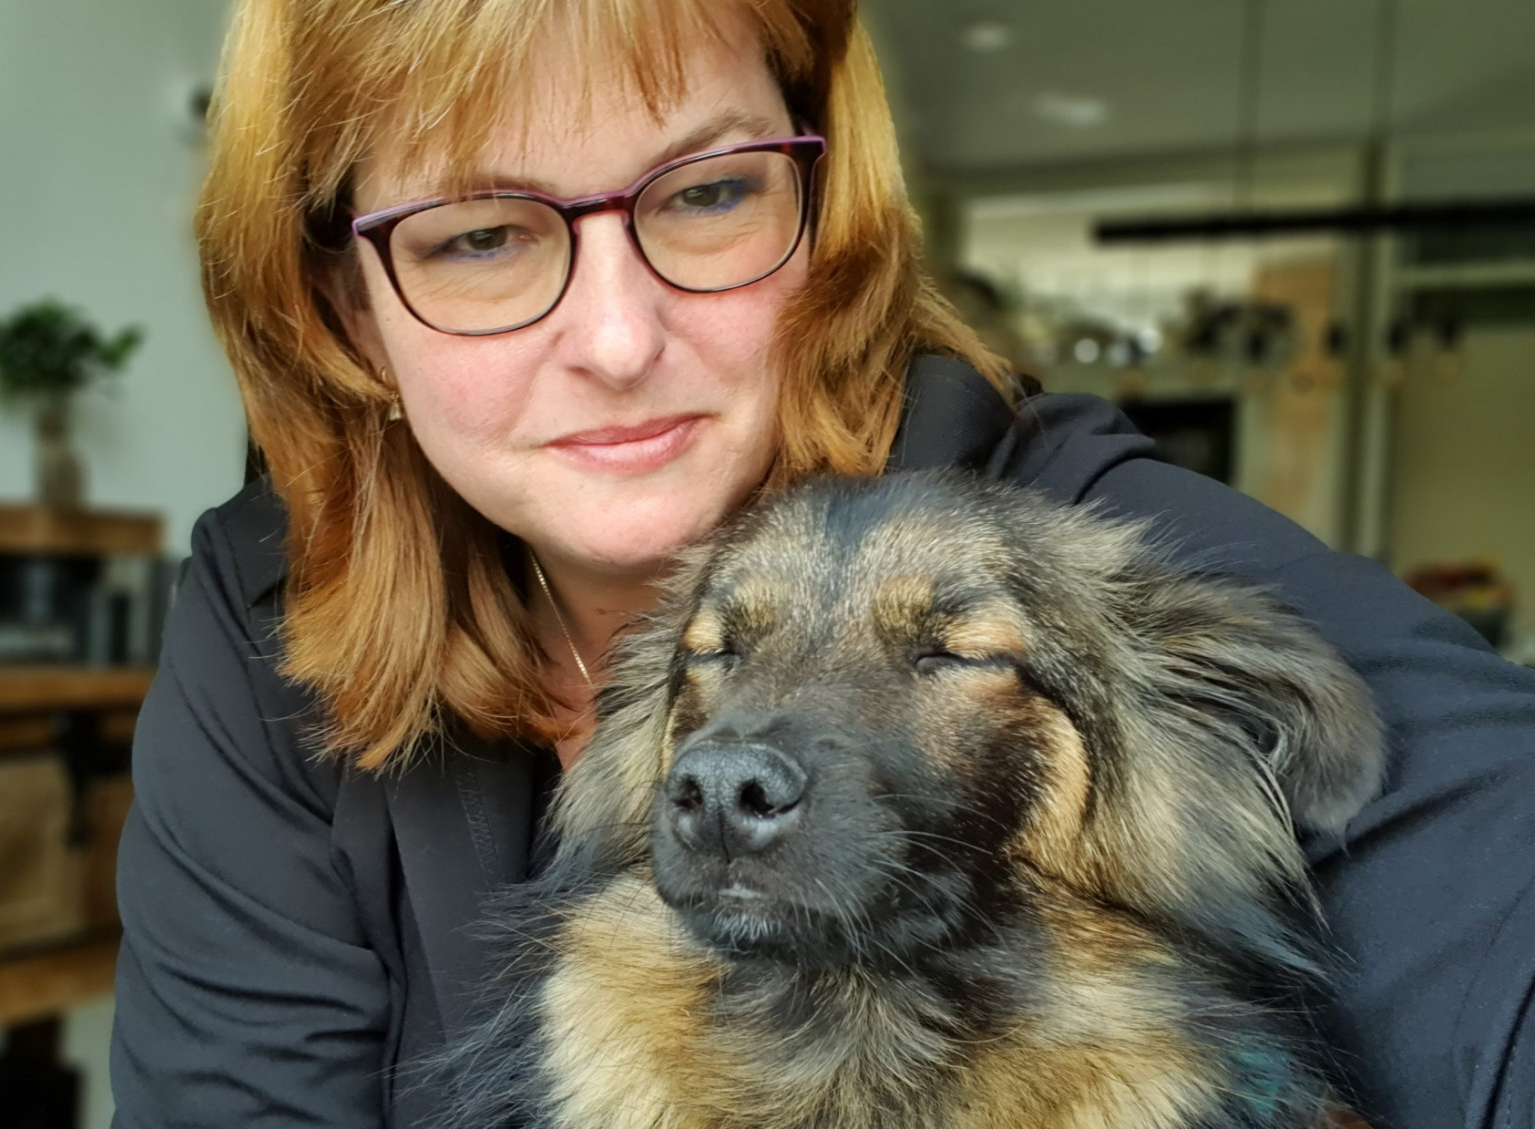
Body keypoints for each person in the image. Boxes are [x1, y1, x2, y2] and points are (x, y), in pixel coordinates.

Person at [110, 0, 1535, 1125]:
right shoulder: (266, 616)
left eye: (709, 194)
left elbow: (1493, 860)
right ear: (345, 308)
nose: (616, 340)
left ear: (827, 209)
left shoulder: (1069, 526)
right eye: (481, 234)